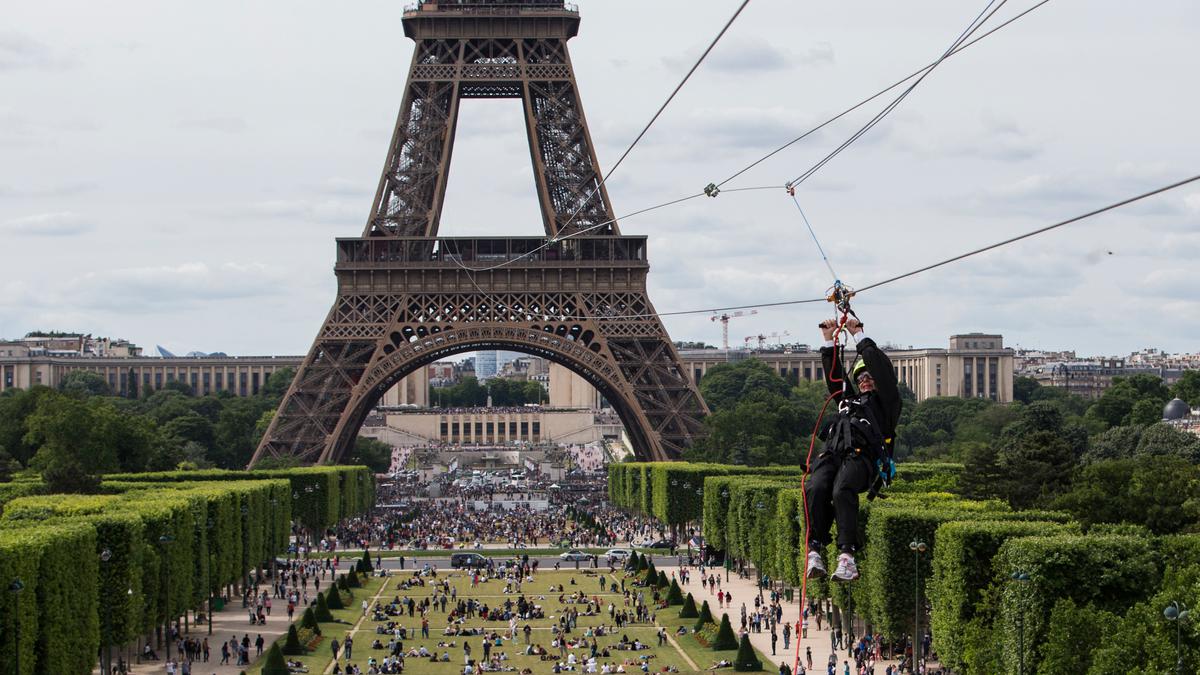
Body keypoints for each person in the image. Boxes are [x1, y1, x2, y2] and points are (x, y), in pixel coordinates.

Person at [804, 317, 900, 583]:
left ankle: (847, 555)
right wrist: (828, 341)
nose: (865, 380)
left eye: (870, 376)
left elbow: (881, 371)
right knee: (815, 488)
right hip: (832, 454)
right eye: (861, 377)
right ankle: (815, 548)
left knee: (842, 490)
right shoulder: (848, 401)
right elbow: (835, 380)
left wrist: (859, 335)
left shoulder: (887, 403)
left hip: (861, 457)